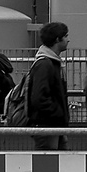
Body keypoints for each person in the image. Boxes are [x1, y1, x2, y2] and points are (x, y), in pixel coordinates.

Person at [26, 22, 70, 150]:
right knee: (47, 164)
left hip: (53, 125)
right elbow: (39, 98)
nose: (68, 40)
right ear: (57, 39)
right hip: (47, 125)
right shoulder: (45, 64)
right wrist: (58, 114)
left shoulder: (50, 63)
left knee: (55, 163)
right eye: (66, 36)